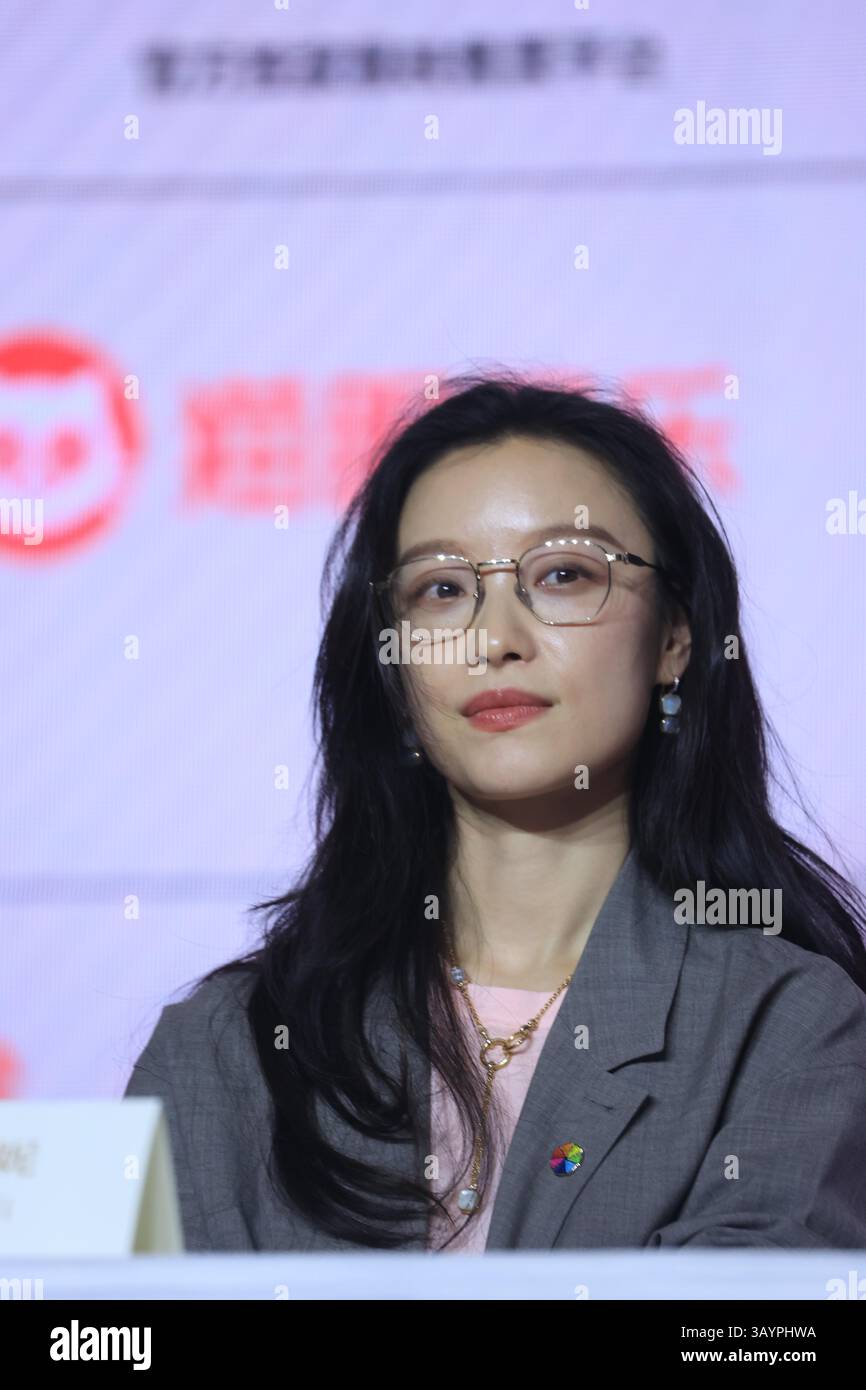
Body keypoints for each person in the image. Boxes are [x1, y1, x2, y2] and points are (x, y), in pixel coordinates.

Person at [124, 371, 866, 1253]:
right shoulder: (225, 1050)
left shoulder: (785, 1028)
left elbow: (746, 1348)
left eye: (562, 574)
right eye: (441, 590)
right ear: (395, 670)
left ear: (675, 638)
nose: (495, 638)